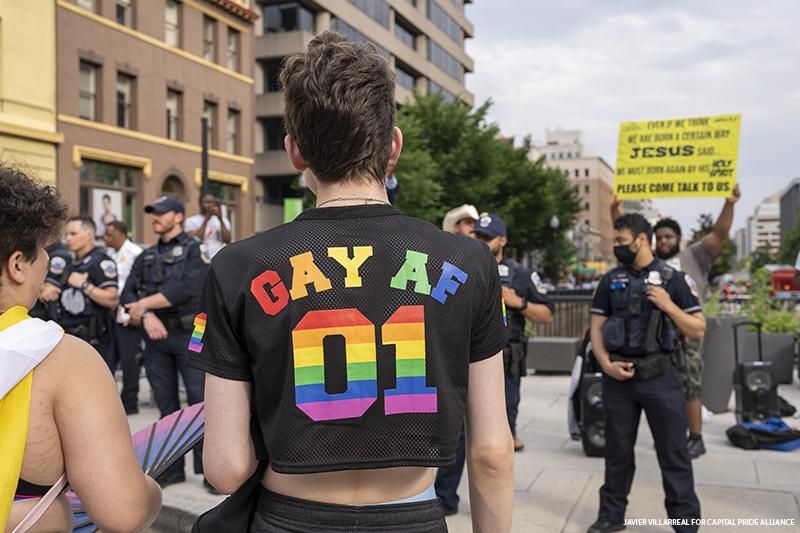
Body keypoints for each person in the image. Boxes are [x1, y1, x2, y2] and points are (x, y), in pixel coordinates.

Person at [189, 32, 514, 533]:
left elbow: (225, 468)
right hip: (413, 515)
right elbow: (492, 452)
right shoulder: (467, 260)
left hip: (289, 517)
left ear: (295, 151)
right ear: (393, 147)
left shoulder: (238, 266)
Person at [0, 166, 161, 533]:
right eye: (43, 247)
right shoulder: (63, 360)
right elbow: (124, 511)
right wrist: (148, 488)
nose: (48, 259)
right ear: (18, 264)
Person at [587, 214, 705, 533]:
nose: (616, 247)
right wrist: (605, 363)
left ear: (641, 239)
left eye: (621, 241)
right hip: (618, 380)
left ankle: (685, 523)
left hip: (662, 379)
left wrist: (668, 306)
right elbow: (596, 328)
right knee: (617, 453)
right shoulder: (611, 280)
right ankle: (611, 516)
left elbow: (698, 328)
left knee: (674, 453)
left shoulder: (673, 279)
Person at [612, 184, 740, 458]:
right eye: (660, 237)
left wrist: (729, 204)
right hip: (658, 334)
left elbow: (719, 234)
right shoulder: (651, 261)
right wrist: (616, 209)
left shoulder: (693, 256)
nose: (664, 241)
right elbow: (627, 236)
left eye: (669, 236)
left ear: (679, 239)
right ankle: (671, 434)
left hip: (687, 330)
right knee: (667, 386)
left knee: (691, 384)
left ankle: (695, 436)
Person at [121, 196, 209, 488]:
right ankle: (173, 468)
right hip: (156, 336)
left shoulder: (196, 250)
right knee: (166, 403)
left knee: (200, 402)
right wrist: (146, 316)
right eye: (153, 213)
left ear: (179, 216)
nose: (155, 218)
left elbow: (185, 289)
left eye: (161, 213)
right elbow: (126, 294)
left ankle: (207, 468)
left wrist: (143, 306)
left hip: (191, 334)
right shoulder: (145, 256)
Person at [474, 213, 554, 451]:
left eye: (487, 237)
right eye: (478, 235)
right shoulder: (467, 266)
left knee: (507, 409)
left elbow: (547, 314)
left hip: (507, 355)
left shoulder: (521, 274)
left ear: (503, 241)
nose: (482, 241)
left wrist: (520, 303)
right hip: (472, 352)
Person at [434, 203, 481, 515]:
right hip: (439, 361)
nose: (471, 230)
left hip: (469, 358)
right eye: (464, 224)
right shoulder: (436, 264)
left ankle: (445, 496)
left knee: (461, 434)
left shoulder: (476, 264)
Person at [58, 216, 119, 365]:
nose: (68, 238)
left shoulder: (100, 261)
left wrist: (85, 286)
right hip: (71, 337)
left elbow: (112, 299)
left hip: (95, 340)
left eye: (73, 234)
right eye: (66, 234)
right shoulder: (71, 263)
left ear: (90, 235)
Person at [104, 220, 144, 415]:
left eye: (109, 234)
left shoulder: (135, 253)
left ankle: (130, 401)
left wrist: (137, 312)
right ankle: (111, 399)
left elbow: (139, 286)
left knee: (129, 359)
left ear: (121, 234)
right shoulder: (109, 255)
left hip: (129, 310)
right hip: (111, 310)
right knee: (110, 356)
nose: (105, 238)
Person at [28, 237, 71, 322]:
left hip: (50, 313)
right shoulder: (37, 251)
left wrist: (41, 287)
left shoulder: (59, 254)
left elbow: (49, 291)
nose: (69, 238)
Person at [185, 193, 231, 262]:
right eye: (207, 202)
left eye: (212, 202)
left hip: (218, 260)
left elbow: (227, 240)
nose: (210, 205)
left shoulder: (224, 221)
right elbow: (197, 239)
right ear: (200, 204)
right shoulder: (191, 221)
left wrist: (220, 219)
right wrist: (206, 219)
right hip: (199, 261)